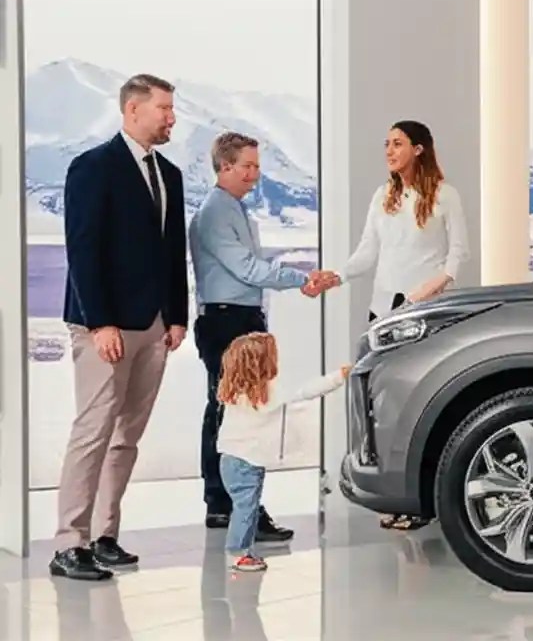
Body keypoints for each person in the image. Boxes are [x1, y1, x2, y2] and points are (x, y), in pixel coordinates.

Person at [50, 74, 189, 581]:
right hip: (104, 325)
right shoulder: (92, 168)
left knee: (127, 435)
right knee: (93, 432)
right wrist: (99, 322)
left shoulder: (169, 174)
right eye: (164, 109)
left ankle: (104, 536)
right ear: (133, 110)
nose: (172, 118)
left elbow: (174, 250)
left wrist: (176, 315)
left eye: (172, 109)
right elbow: (82, 251)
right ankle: (69, 543)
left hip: (154, 326)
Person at [189, 131, 339, 540]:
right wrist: (301, 279)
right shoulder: (216, 213)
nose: (255, 174)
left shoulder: (233, 210)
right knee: (233, 414)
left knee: (229, 411)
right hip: (226, 322)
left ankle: (231, 504)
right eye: (248, 166)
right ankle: (234, 506)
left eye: (257, 166)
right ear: (225, 167)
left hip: (238, 318)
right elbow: (247, 269)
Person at [328, 120, 468, 530]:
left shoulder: (445, 196)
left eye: (398, 143)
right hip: (383, 313)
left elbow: (457, 256)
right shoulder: (382, 196)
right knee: (381, 403)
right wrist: (336, 276)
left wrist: (429, 290)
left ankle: (421, 496)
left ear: (420, 148)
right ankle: (391, 492)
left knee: (419, 400)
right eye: (386, 144)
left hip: (423, 314)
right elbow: (366, 254)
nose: (389, 151)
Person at [213, 332, 350, 571]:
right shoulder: (269, 392)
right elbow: (308, 390)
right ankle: (238, 554)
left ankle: (243, 551)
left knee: (244, 508)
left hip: (229, 458)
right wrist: (339, 376)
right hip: (246, 462)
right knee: (246, 509)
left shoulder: (234, 391)